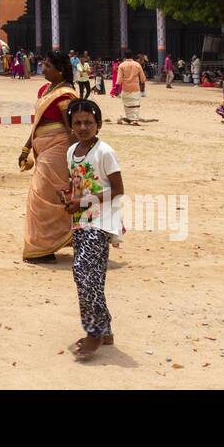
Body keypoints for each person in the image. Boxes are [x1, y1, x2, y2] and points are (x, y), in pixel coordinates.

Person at [62, 98, 124, 361]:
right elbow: (76, 182)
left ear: (98, 124)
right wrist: (68, 197)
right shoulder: (71, 151)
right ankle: (105, 328)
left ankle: (94, 332)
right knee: (93, 277)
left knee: (82, 272)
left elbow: (118, 189)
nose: (83, 126)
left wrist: (83, 201)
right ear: (71, 126)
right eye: (77, 122)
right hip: (80, 221)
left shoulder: (105, 152)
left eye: (88, 122)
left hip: (100, 222)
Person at [19, 50, 77, 263]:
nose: (42, 69)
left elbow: (72, 128)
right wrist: (26, 148)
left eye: (47, 66)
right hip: (41, 148)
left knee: (41, 196)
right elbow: (38, 123)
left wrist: (76, 157)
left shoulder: (66, 94)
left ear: (60, 70)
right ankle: (58, 240)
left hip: (58, 148)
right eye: (42, 64)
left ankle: (42, 248)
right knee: (51, 196)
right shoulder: (45, 90)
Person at [116, 53, 146, 125]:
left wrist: (117, 90)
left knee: (127, 104)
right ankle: (134, 119)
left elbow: (119, 79)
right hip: (135, 87)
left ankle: (129, 118)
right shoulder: (137, 65)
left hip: (126, 87)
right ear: (132, 56)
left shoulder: (122, 65)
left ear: (125, 56)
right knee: (136, 104)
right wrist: (143, 88)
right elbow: (143, 78)